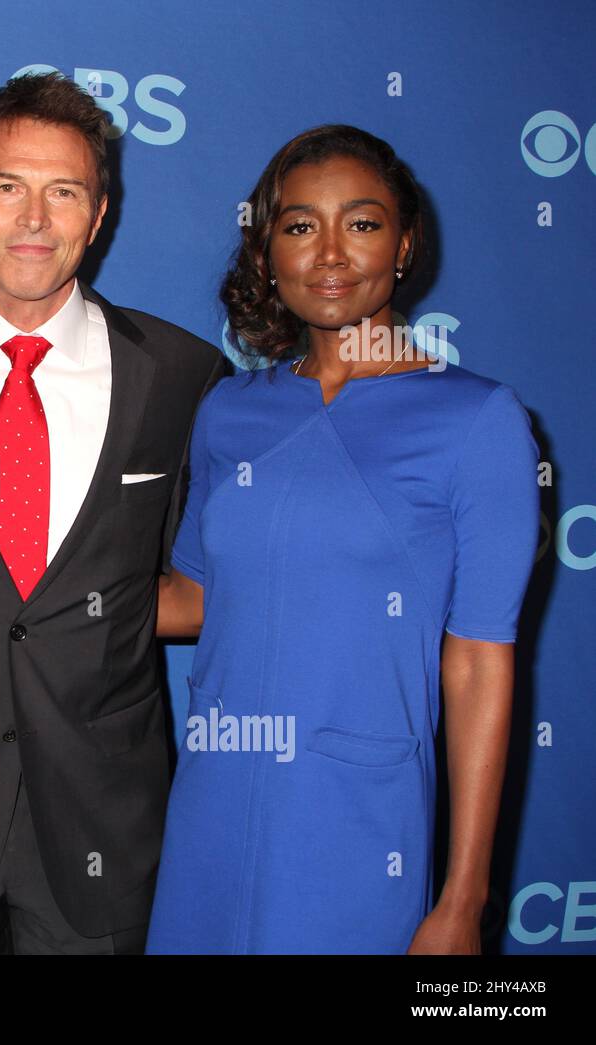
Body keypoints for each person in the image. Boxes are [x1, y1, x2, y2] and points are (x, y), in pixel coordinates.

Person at [148, 125, 540, 954]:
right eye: (298, 226)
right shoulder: (231, 409)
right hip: (212, 801)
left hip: (359, 822)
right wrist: (35, 586)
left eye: (361, 223)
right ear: (266, 254)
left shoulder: (477, 419)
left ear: (404, 244)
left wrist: (463, 899)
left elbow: (478, 662)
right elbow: (194, 599)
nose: (330, 252)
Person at [0, 72, 224, 954]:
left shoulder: (182, 375)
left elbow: (211, 582)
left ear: (98, 216)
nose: (34, 218)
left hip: (104, 830)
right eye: (7, 187)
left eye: (64, 191)